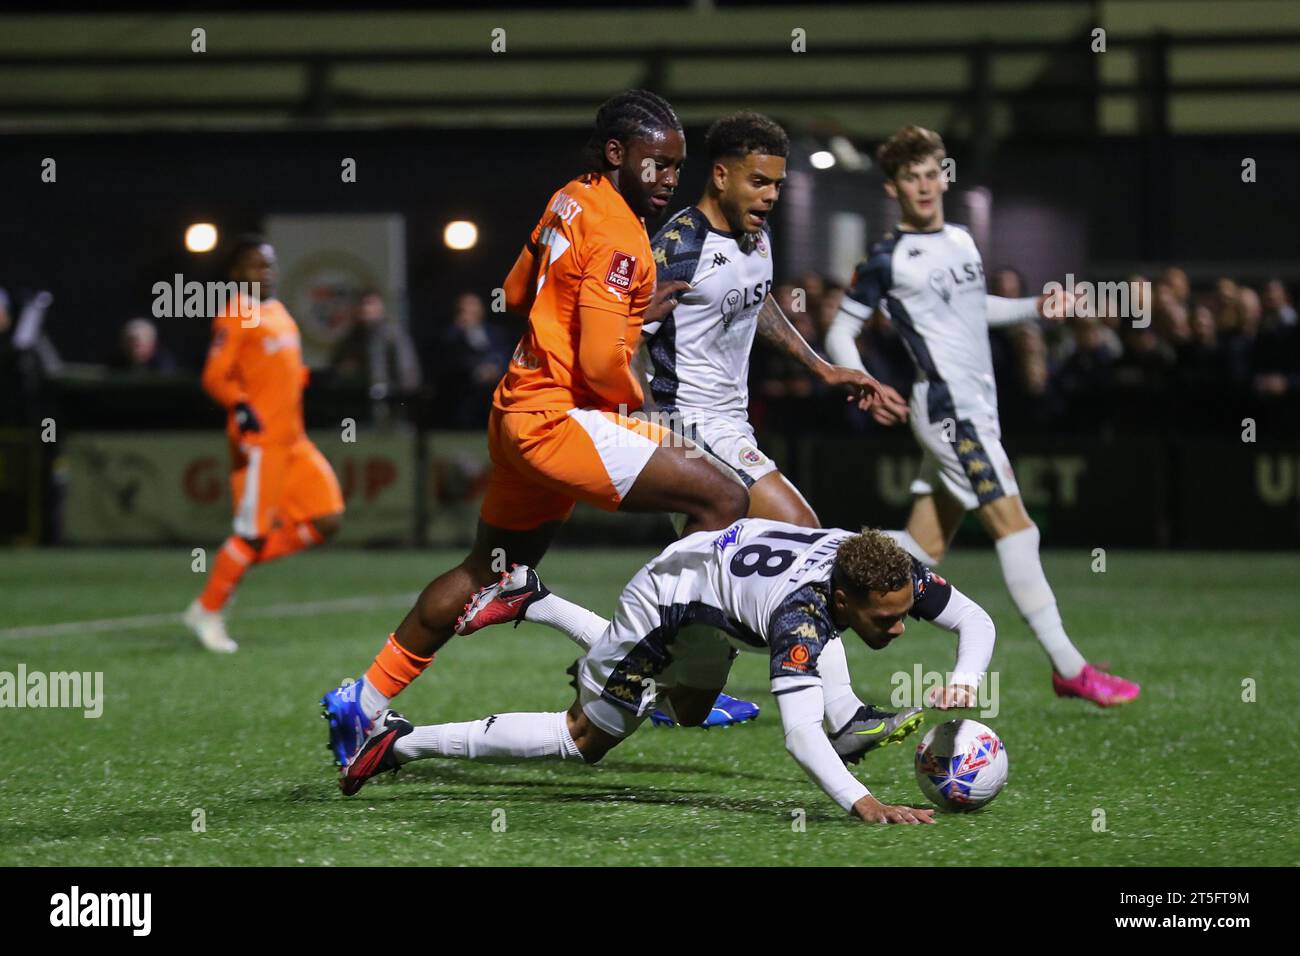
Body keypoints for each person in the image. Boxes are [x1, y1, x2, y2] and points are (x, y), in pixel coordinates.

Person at [320, 91, 754, 768]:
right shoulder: (620, 232)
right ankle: (657, 669)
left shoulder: (573, 196)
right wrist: (640, 394)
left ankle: (363, 703)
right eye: (658, 164)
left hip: (516, 413)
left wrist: (619, 317)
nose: (671, 178)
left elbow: (518, 292)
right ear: (617, 154)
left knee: (488, 569)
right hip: (559, 419)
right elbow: (600, 364)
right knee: (723, 499)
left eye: (678, 166)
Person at [341, 522, 996, 824]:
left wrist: (966, 676)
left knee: (683, 708)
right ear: (844, 601)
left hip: (720, 590)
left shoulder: (887, 567)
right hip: (670, 597)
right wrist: (866, 803)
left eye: (903, 615)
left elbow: (976, 621)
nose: (900, 628)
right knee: (587, 739)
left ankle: (537, 599)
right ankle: (396, 743)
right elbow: (799, 735)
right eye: (885, 622)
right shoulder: (802, 619)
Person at [631, 110, 916, 759]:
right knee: (810, 544)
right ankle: (841, 718)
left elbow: (754, 302)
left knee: (694, 656)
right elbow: (624, 339)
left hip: (730, 423)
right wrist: (646, 431)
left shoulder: (754, 237)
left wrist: (822, 368)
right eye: (759, 181)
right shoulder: (676, 243)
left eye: (778, 184)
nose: (770, 195)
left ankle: (599, 656)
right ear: (722, 174)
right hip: (688, 427)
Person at [825, 125, 1140, 708]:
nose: (924, 187)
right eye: (910, 178)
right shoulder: (888, 258)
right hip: (949, 412)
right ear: (893, 188)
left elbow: (974, 308)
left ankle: (809, 566)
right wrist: (865, 383)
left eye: (931, 174)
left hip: (976, 408)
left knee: (919, 551)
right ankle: (1069, 667)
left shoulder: (963, 240)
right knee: (1018, 529)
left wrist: (1034, 308)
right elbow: (839, 330)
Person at [184, 235, 345, 653]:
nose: (266, 272)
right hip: (260, 443)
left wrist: (310, 379)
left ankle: (228, 575)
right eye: (256, 265)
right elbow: (214, 376)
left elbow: (280, 370)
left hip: (294, 440)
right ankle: (209, 610)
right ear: (237, 273)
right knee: (251, 534)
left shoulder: (277, 310)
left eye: (270, 265)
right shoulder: (235, 315)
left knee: (327, 518)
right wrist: (238, 405)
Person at [110, 317, 177, 373]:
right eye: (129, 344)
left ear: (151, 345)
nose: (134, 350)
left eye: (138, 345)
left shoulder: (164, 366)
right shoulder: (115, 364)